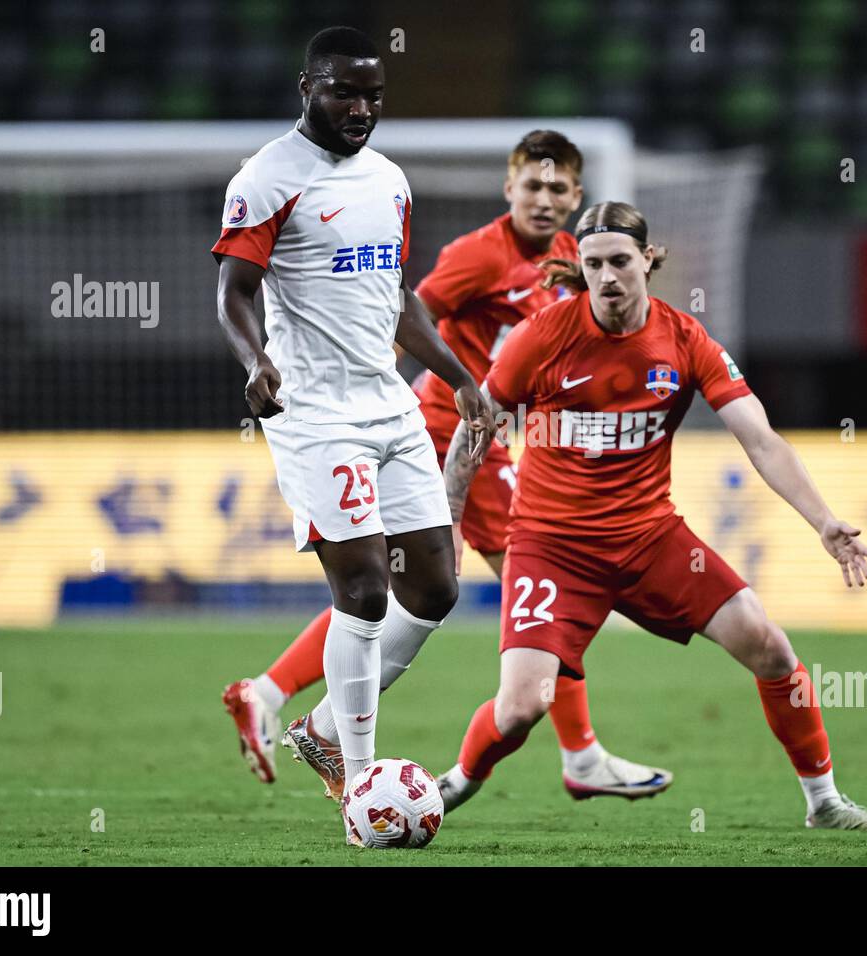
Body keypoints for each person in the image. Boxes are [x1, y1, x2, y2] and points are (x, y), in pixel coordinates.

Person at [223, 130, 672, 802]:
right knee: (537, 582)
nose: (544, 200)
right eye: (532, 186)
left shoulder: (571, 259)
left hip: (483, 435)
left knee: (432, 590)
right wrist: (368, 404)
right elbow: (404, 308)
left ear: (577, 196)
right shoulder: (477, 255)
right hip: (442, 431)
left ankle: (271, 693)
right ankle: (579, 754)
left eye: (558, 190)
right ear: (509, 188)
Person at [435, 201, 867, 831]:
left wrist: (822, 520)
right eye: (593, 264)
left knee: (770, 647)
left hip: (651, 541)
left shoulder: (684, 340)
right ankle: (451, 787)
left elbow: (759, 439)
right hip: (551, 547)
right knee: (521, 708)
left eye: (620, 261)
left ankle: (825, 803)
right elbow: (478, 425)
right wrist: (448, 519)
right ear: (580, 267)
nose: (607, 277)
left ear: (648, 260)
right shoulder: (542, 337)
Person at [211, 26, 493, 840]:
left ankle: (324, 732)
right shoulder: (267, 179)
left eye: (373, 96)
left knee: (434, 587)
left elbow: (398, 299)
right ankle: (362, 783)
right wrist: (255, 361)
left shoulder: (390, 181)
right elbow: (232, 291)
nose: (361, 109)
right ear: (308, 89)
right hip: (315, 413)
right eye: (344, 93)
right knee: (365, 590)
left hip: (390, 404)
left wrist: (461, 377)